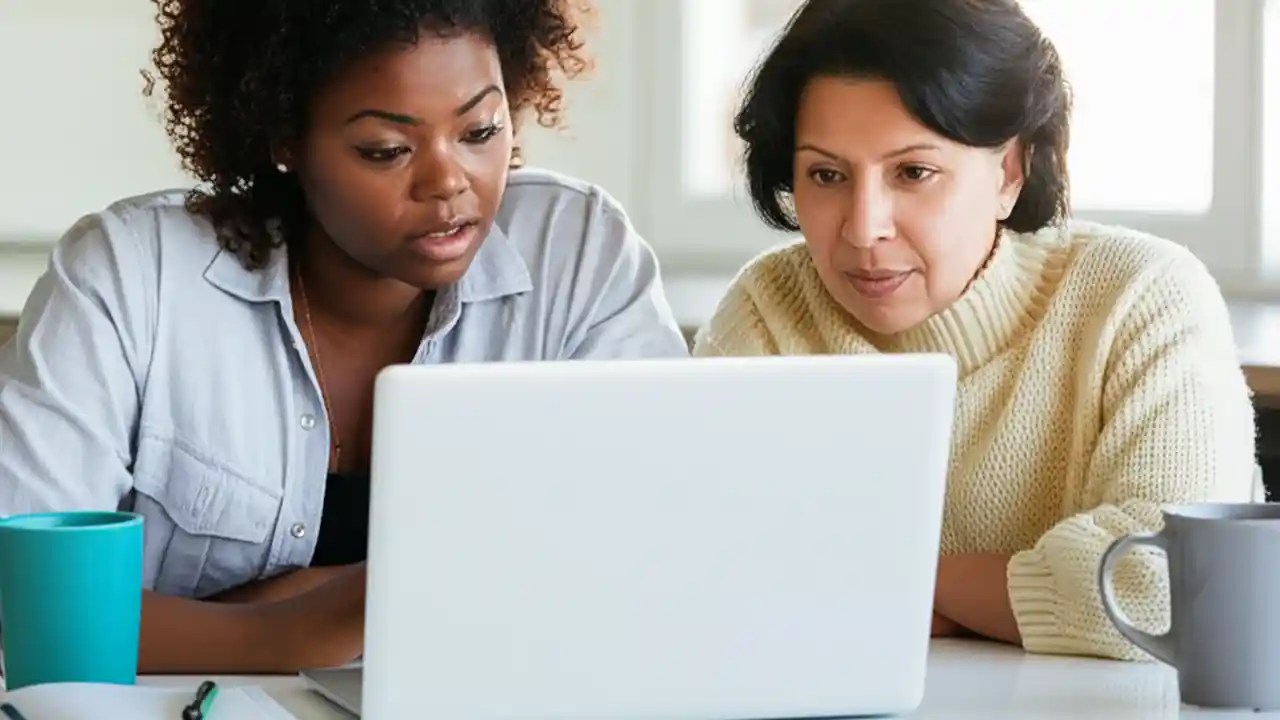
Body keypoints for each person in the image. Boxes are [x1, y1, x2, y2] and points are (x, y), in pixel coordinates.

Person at [0, 0, 688, 673]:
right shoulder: (129, 278)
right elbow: (29, 610)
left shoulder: (579, 256)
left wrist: (286, 614)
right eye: (386, 150)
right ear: (286, 138)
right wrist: (289, 635)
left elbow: (657, 568)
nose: (449, 181)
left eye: (480, 131)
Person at [693, 0, 1257, 660]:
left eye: (914, 172)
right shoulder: (767, 311)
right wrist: (995, 597)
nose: (863, 227)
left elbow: (1162, 590)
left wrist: (904, 583)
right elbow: (711, 572)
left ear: (1008, 173)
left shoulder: (1142, 296)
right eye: (826, 174)